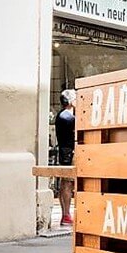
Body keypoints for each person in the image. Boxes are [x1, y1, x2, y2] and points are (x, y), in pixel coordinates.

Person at [55, 89, 76, 226]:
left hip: (64, 152)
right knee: (68, 183)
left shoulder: (61, 115)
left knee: (64, 183)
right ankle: (67, 214)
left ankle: (65, 214)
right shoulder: (69, 117)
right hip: (69, 153)